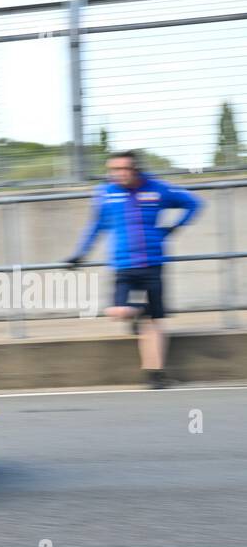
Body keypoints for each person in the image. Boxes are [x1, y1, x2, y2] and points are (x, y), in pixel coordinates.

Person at [65, 151, 201, 389]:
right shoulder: (105, 193)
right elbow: (96, 226)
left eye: (122, 169)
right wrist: (80, 253)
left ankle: (155, 375)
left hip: (153, 264)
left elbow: (193, 203)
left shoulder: (158, 189)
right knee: (117, 311)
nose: (116, 174)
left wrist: (173, 227)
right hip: (123, 265)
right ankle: (137, 313)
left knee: (155, 322)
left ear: (135, 169)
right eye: (112, 170)